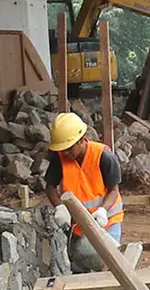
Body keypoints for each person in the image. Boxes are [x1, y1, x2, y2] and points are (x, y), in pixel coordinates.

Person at [41, 112, 123, 271]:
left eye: (68, 148)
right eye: (62, 149)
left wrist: (103, 211)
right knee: (79, 268)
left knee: (111, 266)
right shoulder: (60, 158)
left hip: (107, 221)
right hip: (77, 225)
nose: (65, 153)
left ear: (81, 140)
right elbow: (50, 186)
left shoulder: (104, 156)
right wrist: (60, 206)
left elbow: (114, 190)